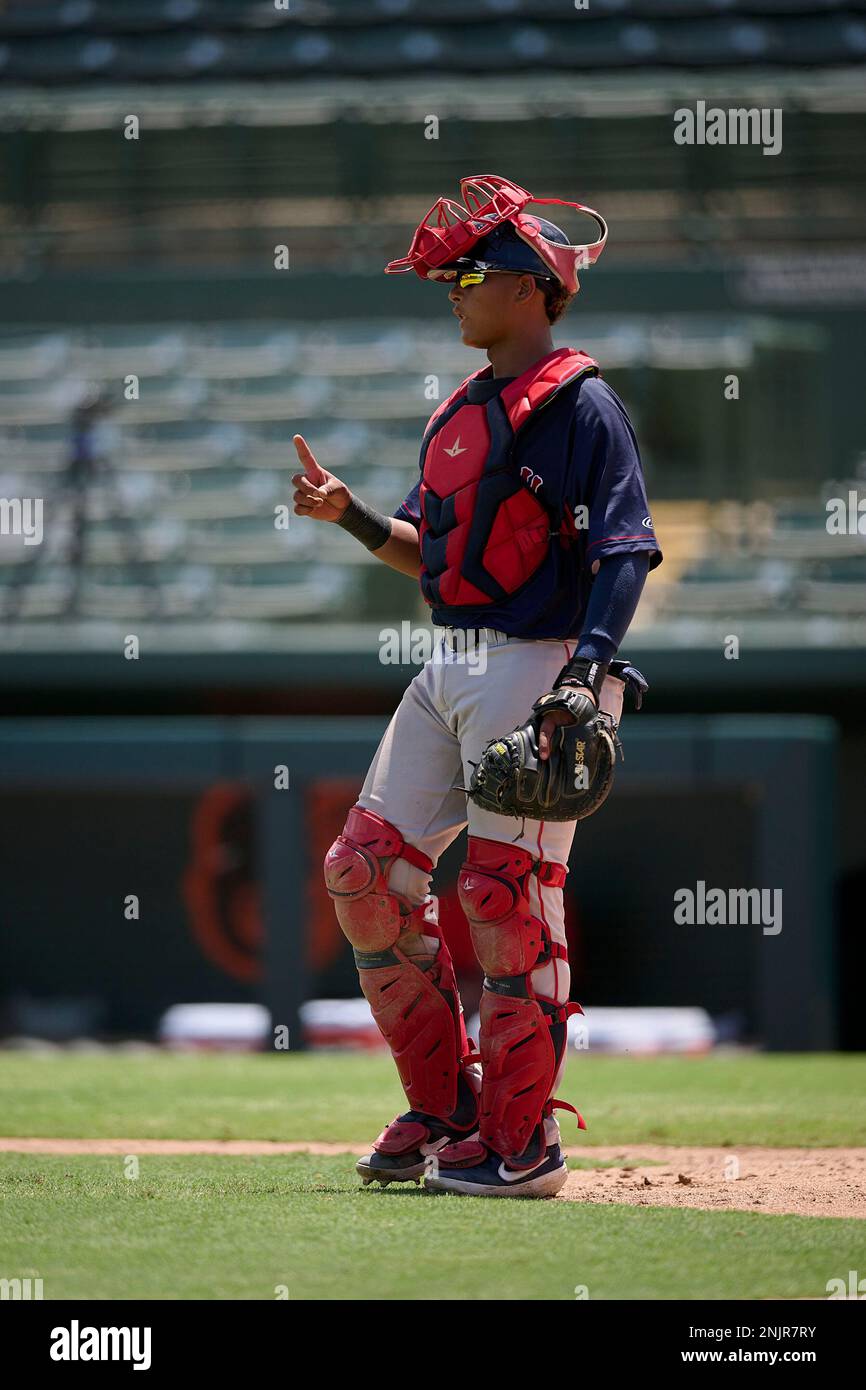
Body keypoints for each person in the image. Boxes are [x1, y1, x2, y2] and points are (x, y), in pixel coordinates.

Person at [292, 176, 662, 1198]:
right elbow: (433, 555)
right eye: (452, 273)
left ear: (533, 288)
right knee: (364, 877)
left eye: (472, 273)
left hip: (541, 659)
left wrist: (585, 676)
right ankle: (447, 1108)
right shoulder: (461, 410)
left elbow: (625, 552)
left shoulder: (582, 401)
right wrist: (350, 516)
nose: (453, 286)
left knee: (501, 897)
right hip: (452, 658)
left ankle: (522, 1140)